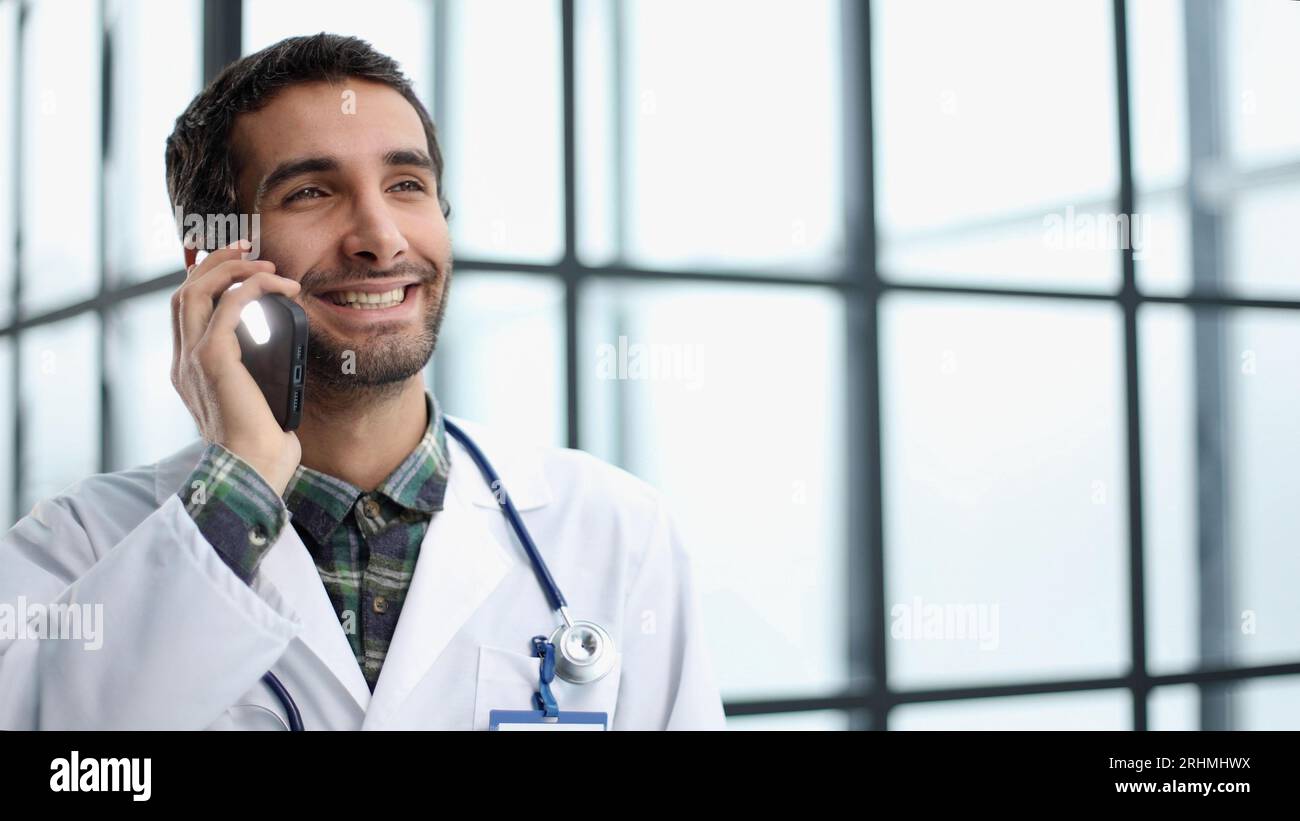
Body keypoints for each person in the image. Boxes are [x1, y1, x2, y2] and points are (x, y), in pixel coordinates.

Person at [0, 33, 725, 730]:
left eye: (406, 184)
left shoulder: (616, 532)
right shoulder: (77, 549)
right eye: (312, 192)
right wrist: (240, 484)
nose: (380, 236)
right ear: (215, 261)